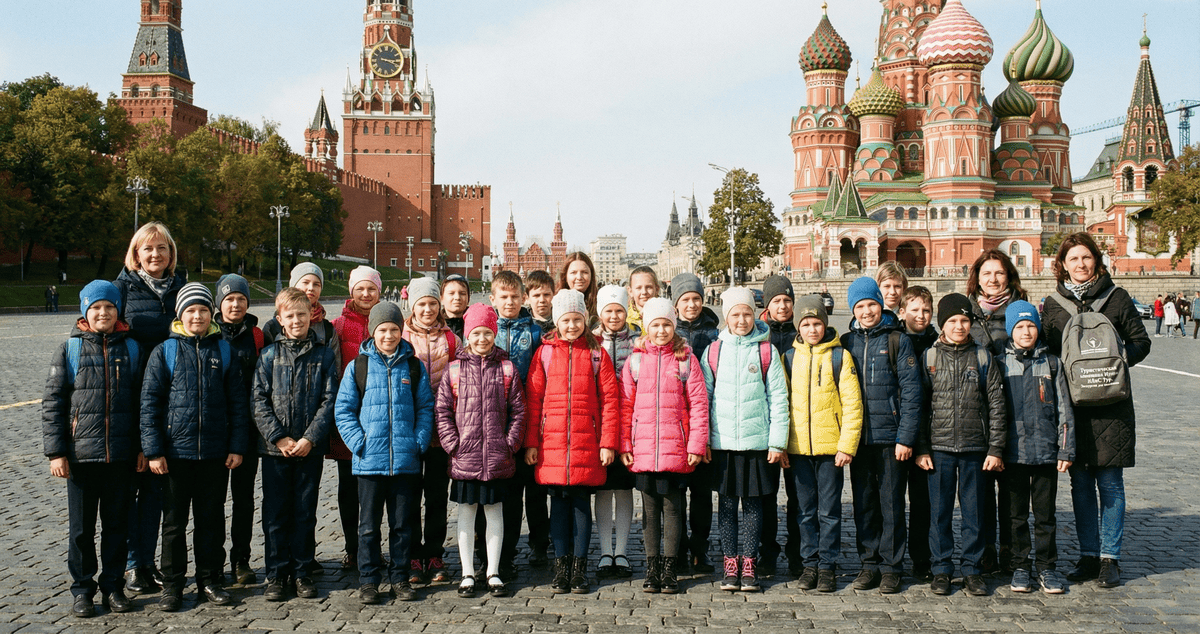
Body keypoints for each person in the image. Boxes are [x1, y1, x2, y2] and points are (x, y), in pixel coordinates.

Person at [1041, 233, 1150, 589]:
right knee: (1081, 485)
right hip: (1073, 407)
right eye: (1073, 259)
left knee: (1111, 484)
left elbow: (1141, 342)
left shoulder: (1116, 297)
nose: (1081, 265)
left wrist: (1114, 367)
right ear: (1063, 265)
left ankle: (1110, 559)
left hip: (1112, 406)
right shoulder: (1054, 304)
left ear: (1096, 261)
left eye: (1086, 258)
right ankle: (1088, 555)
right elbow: (1047, 350)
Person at [140, 283, 250, 611]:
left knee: (211, 519)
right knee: (174, 523)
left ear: (210, 313)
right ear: (180, 315)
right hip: (175, 454)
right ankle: (173, 584)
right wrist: (154, 450)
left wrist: (236, 445)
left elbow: (237, 403)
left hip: (215, 453)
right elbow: (150, 404)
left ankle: (210, 579)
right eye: (190, 310)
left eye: (203, 310)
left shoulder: (224, 350)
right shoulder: (165, 352)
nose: (197, 316)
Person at [42, 281, 141, 617]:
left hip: (121, 456)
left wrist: (141, 448)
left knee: (117, 526)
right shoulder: (69, 349)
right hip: (82, 457)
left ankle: (113, 587)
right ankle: (82, 589)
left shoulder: (132, 349)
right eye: (96, 307)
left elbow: (143, 403)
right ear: (85, 311)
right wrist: (56, 452)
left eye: (109, 307)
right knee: (81, 530)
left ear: (118, 312)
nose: (103, 313)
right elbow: (53, 403)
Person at [335, 301, 435, 603]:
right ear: (372, 332)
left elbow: (425, 407)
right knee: (367, 527)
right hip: (369, 463)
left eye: (393, 329)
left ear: (400, 330)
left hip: (405, 461)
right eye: (382, 330)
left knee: (403, 525)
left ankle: (400, 576)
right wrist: (359, 443)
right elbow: (344, 410)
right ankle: (368, 579)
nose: (388, 335)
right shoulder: (358, 367)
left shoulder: (414, 367)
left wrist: (417, 442)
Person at [523, 289, 620, 594]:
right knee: (558, 508)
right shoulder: (545, 354)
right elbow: (533, 400)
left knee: (581, 508)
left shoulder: (596, 354)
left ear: (585, 320)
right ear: (557, 321)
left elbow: (610, 400)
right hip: (551, 445)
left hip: (586, 443)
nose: (572, 326)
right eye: (566, 320)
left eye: (577, 319)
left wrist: (608, 442)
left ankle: (579, 566)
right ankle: (561, 564)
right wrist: (531, 443)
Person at [114, 222, 189, 596]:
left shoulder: (181, 290)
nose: (156, 255)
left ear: (171, 253)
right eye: (149, 249)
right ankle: (132, 564)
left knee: (159, 490)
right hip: (130, 399)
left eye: (162, 248)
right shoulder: (120, 290)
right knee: (132, 487)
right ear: (136, 253)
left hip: (172, 400)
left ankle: (150, 561)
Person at [915, 293, 1007, 597]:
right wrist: (922, 447)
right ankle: (941, 568)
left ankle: (972, 568)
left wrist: (995, 448)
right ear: (942, 324)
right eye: (953, 321)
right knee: (939, 514)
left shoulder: (982, 357)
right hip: (939, 450)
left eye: (964, 320)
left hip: (974, 449)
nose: (959, 326)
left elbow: (997, 405)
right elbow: (920, 406)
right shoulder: (929, 358)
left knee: (974, 514)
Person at [251, 288, 338, 602]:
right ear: (280, 320)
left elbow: (330, 401)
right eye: (290, 316)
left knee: (304, 512)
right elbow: (259, 402)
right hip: (276, 450)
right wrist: (279, 437)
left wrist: (309, 438)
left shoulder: (324, 354)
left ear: (311, 316)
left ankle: (302, 572)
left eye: (302, 314)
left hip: (308, 449)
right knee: (275, 514)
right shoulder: (269, 356)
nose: (297, 320)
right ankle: (276, 574)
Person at [701, 287, 789, 593]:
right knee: (726, 507)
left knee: (754, 507)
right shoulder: (713, 351)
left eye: (747, 313)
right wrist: (705, 442)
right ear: (726, 317)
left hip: (756, 443)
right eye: (735, 314)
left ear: (755, 315)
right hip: (723, 443)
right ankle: (730, 561)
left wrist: (777, 442)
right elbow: (705, 399)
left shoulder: (766, 352)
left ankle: (749, 560)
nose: (741, 320)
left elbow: (778, 398)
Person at [620, 298, 709, 594]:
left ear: (674, 326)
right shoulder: (635, 361)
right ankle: (652, 565)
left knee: (673, 510)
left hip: (676, 448)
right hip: (644, 448)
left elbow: (698, 403)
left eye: (666, 325)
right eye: (655, 325)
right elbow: (625, 405)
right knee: (648, 512)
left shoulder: (686, 359)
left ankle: (670, 566)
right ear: (647, 327)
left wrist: (697, 443)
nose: (661, 331)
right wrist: (625, 443)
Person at [438, 303, 526, 598]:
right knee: (466, 514)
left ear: (494, 334)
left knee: (495, 513)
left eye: (487, 333)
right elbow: (443, 412)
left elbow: (518, 412)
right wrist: (453, 444)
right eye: (476, 333)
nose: (481, 339)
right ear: (467, 335)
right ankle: (466, 572)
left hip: (497, 458)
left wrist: (510, 443)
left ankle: (493, 570)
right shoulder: (454, 370)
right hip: (466, 457)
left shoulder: (507, 369)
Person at [841, 277, 922, 594]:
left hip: (891, 439)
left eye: (871, 304)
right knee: (864, 505)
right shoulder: (846, 342)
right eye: (860, 306)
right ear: (853, 310)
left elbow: (911, 393)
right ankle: (869, 563)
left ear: (880, 304)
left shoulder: (897, 340)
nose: (867, 311)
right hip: (858, 439)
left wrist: (906, 437)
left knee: (891, 504)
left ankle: (891, 567)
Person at [782, 296, 862, 593]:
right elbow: (782, 405)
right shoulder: (789, 358)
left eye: (817, 323)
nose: (812, 329)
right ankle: (809, 563)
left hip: (831, 450)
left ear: (825, 324)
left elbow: (853, 404)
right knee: (804, 510)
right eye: (806, 324)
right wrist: (782, 446)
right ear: (798, 328)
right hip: (799, 449)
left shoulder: (840, 357)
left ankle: (827, 565)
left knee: (829, 511)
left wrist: (847, 445)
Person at [998, 300, 1074, 595]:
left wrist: (1065, 450)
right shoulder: (1001, 363)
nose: (1026, 331)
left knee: (1045, 516)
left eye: (1031, 325)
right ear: (1010, 331)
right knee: (1015, 515)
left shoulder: (1051, 363)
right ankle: (1020, 565)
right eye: (1020, 327)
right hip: (1013, 453)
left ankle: (1046, 566)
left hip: (1045, 452)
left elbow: (1065, 411)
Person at [965, 250, 1029, 573]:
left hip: (1016, 412)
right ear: (977, 278)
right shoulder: (968, 314)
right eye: (987, 273)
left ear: (1009, 277)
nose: (993, 279)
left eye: (999, 273)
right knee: (982, 490)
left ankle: (1012, 549)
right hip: (979, 414)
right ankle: (986, 546)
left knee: (1013, 490)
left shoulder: (1022, 312)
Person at [402, 276, 462, 585]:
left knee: (437, 496)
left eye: (432, 303)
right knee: (409, 496)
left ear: (439, 306)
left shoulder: (451, 340)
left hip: (441, 431)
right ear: (412, 306)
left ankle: (435, 553)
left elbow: (460, 384)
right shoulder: (400, 337)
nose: (427, 309)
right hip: (409, 430)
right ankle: (414, 555)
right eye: (421, 303)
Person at [489, 271, 546, 574]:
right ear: (493, 299)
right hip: (497, 425)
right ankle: (506, 551)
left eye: (514, 296)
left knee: (535, 491)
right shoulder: (488, 331)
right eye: (503, 297)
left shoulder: (535, 333)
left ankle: (540, 543)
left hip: (530, 422)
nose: (509, 302)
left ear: (523, 298)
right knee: (508, 494)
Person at [329, 266, 383, 573]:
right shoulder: (338, 326)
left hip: (380, 419)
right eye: (360, 289)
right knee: (348, 488)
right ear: (352, 292)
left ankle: (372, 548)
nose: (366, 294)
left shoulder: (387, 321)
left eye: (371, 289)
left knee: (376, 491)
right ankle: (353, 548)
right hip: (349, 420)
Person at [213, 274, 265, 586]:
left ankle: (241, 560)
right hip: (216, 431)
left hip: (247, 429)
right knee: (214, 501)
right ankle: (215, 562)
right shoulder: (208, 331)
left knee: (244, 500)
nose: (235, 304)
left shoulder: (257, 336)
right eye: (230, 298)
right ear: (219, 302)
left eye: (241, 299)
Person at [670, 272, 721, 573]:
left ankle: (699, 549)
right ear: (675, 305)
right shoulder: (667, 332)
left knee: (702, 495)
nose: (691, 304)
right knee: (675, 495)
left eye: (696, 299)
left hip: (704, 422)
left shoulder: (715, 335)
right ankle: (675, 550)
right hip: (675, 425)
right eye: (685, 299)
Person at [757, 274, 801, 577]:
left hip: (800, 430)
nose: (783, 306)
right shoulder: (760, 338)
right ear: (767, 305)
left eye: (787, 300)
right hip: (768, 428)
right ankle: (767, 551)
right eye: (777, 301)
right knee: (767, 496)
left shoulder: (805, 333)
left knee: (799, 497)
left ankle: (798, 553)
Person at [593, 285, 638, 580]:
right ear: (600, 313)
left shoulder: (638, 341)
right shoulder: (591, 341)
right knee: (601, 489)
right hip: (598, 424)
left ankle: (621, 549)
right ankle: (604, 550)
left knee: (623, 489)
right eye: (608, 311)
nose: (614, 316)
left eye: (619, 310)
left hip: (632, 421)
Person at [897, 285, 938, 583]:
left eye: (925, 310)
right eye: (914, 310)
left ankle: (922, 558)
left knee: (924, 502)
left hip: (930, 434)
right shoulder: (895, 341)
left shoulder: (938, 342)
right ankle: (893, 559)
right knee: (894, 501)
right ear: (902, 312)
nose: (921, 315)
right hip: (897, 433)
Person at [558, 253, 599, 324]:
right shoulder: (555, 304)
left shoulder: (600, 304)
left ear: (591, 275)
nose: (579, 277)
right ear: (565, 276)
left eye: (584, 272)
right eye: (573, 272)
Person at [626, 266, 660, 332]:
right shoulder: (624, 319)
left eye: (649, 287)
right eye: (638, 288)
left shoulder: (668, 316)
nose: (644, 292)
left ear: (657, 289)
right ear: (630, 291)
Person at [525, 270, 556, 335]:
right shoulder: (521, 326)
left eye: (546, 295)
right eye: (536, 295)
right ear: (527, 297)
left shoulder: (563, 323)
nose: (542, 300)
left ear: (554, 295)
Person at [441, 274, 471, 340]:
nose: (457, 298)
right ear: (441, 298)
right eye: (451, 293)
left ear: (468, 298)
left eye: (462, 293)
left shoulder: (476, 324)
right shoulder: (435, 326)